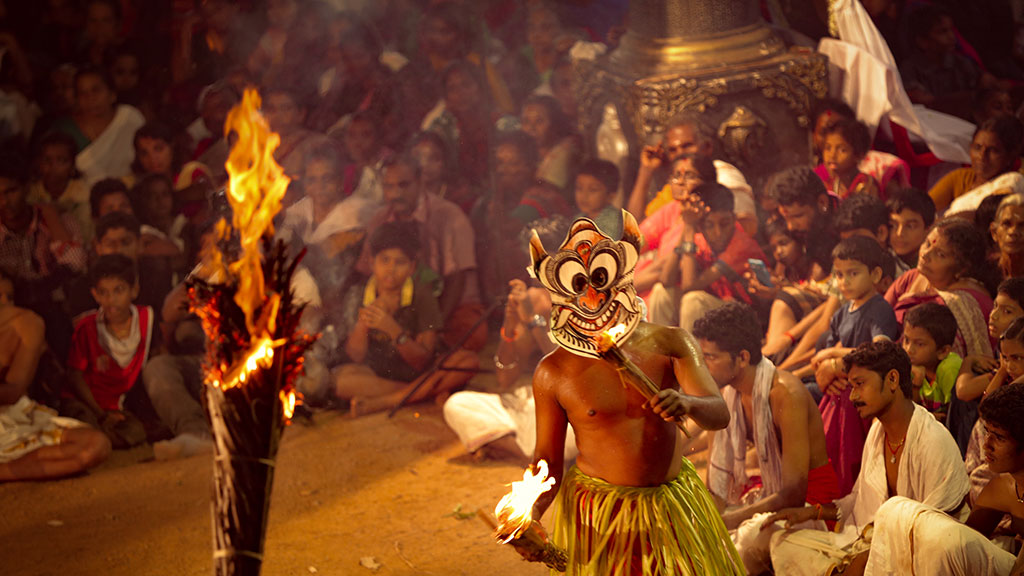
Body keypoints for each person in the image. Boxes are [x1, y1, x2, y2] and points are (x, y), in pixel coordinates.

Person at [526, 212, 744, 575]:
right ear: (561, 294)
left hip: (669, 509)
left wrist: (687, 402)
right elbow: (546, 461)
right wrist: (529, 513)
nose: (593, 296)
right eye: (579, 286)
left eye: (599, 280)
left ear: (622, 277)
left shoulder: (671, 341)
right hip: (600, 517)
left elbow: (719, 413)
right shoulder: (553, 372)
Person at [765, 341, 970, 576]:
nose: (852, 396)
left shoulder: (932, 440)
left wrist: (873, 556)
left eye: (860, 385)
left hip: (917, 558)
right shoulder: (876, 432)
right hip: (868, 544)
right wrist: (811, 512)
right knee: (782, 541)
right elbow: (860, 501)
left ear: (892, 380)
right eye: (851, 386)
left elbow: (936, 532)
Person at [693, 302, 839, 575]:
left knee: (743, 542)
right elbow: (716, 486)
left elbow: (793, 495)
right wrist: (709, 516)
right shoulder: (729, 393)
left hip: (812, 505)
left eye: (711, 357)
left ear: (743, 358)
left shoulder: (786, 395)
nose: (703, 365)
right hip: (773, 494)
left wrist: (727, 520)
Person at [862, 382, 1024, 575]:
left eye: (999, 437)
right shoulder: (1000, 489)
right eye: (987, 432)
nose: (986, 445)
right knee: (898, 511)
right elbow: (965, 542)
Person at [334, 222, 477, 416]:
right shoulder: (358, 293)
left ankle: (383, 402)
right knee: (341, 381)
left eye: (400, 262)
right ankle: (424, 393)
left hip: (419, 372)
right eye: (384, 260)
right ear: (372, 262)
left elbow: (421, 360)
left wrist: (393, 330)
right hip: (381, 376)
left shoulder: (422, 294)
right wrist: (363, 323)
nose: (391, 269)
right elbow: (356, 356)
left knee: (468, 361)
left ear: (412, 267)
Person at [443, 277, 577, 464]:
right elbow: (505, 378)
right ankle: (523, 455)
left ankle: (500, 443)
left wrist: (533, 321)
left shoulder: (585, 310)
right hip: (524, 405)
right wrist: (510, 324)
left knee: (582, 432)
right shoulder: (532, 304)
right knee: (457, 404)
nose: (534, 294)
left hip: (565, 411)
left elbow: (569, 372)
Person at [361, 154, 485, 351]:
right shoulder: (379, 219)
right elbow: (367, 272)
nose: (395, 194)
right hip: (404, 305)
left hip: (451, 305)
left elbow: (458, 279)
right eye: (388, 186)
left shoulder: (450, 216)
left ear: (420, 183)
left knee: (468, 336)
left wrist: (433, 328)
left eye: (403, 185)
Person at [809, 236, 901, 495]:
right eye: (839, 275)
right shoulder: (842, 312)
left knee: (851, 454)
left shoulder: (879, 309)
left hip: (861, 393)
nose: (844, 281)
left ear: (875, 274)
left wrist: (835, 353)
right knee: (830, 447)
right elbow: (821, 359)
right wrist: (827, 364)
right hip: (839, 390)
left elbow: (882, 350)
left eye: (853, 273)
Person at [0, 269, 110, 481]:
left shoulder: (28, 324)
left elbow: (13, 391)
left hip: (10, 421)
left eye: (10, 296)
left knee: (95, 446)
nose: (6, 302)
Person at [61, 255, 157, 449]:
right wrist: (100, 414)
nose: (110, 300)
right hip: (86, 403)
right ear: (95, 294)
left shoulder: (146, 319)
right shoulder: (87, 327)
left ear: (134, 290)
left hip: (116, 405)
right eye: (103, 292)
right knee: (85, 427)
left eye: (118, 290)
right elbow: (75, 376)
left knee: (136, 432)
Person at [649, 182, 765, 330]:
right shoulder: (699, 241)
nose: (718, 233)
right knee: (661, 292)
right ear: (700, 226)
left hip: (748, 323)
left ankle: (689, 353)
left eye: (725, 224)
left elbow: (689, 286)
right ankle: (660, 352)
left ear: (734, 219)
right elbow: (666, 279)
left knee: (694, 301)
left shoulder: (741, 245)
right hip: (719, 315)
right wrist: (687, 225)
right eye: (710, 225)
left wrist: (689, 228)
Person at [627, 114, 758, 236]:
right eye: (673, 150)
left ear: (707, 147)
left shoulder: (724, 175)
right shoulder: (676, 185)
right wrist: (646, 171)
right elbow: (637, 228)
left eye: (687, 146)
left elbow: (741, 231)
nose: (680, 154)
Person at [634, 155, 717, 302]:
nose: (680, 182)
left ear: (707, 183)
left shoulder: (709, 217)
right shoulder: (672, 209)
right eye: (676, 176)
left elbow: (666, 269)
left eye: (690, 176)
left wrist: (618, 288)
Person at [49, 66, 145, 187]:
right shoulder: (65, 129)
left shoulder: (129, 118)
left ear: (112, 94)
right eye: (83, 93)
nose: (90, 98)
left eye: (96, 90)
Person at [929, 115, 1024, 215]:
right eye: (977, 147)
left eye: (993, 150)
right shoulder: (961, 177)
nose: (981, 156)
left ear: (1009, 157)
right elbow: (922, 208)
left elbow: (980, 218)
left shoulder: (1013, 183)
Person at [27, 132, 92, 244]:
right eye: (47, 160)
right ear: (38, 164)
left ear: (72, 166)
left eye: (61, 161)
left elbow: (85, 235)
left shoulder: (83, 193)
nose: (54, 166)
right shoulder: (31, 191)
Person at [902, 302, 962, 420]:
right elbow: (910, 410)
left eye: (919, 344)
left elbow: (954, 416)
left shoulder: (949, 368)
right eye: (906, 340)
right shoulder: (910, 365)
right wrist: (916, 385)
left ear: (943, 351)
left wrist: (929, 418)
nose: (909, 349)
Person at [520, 94, 580, 191]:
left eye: (539, 121)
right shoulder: (526, 153)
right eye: (526, 122)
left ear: (554, 123)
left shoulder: (564, 152)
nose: (531, 129)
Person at [817, 118, 880, 199]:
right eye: (828, 148)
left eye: (842, 150)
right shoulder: (829, 185)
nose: (832, 155)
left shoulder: (866, 185)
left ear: (859, 155)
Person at [572, 158, 621, 241]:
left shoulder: (615, 221)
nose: (584, 195)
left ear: (610, 196)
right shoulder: (578, 219)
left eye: (593, 190)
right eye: (579, 188)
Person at [887, 187, 936, 269]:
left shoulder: (932, 267)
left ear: (928, 229)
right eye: (893, 225)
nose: (900, 233)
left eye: (910, 226)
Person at [991, 193, 1024, 280]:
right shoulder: (983, 271)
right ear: (994, 232)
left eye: (1022, 225)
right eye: (1006, 224)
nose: (1012, 231)